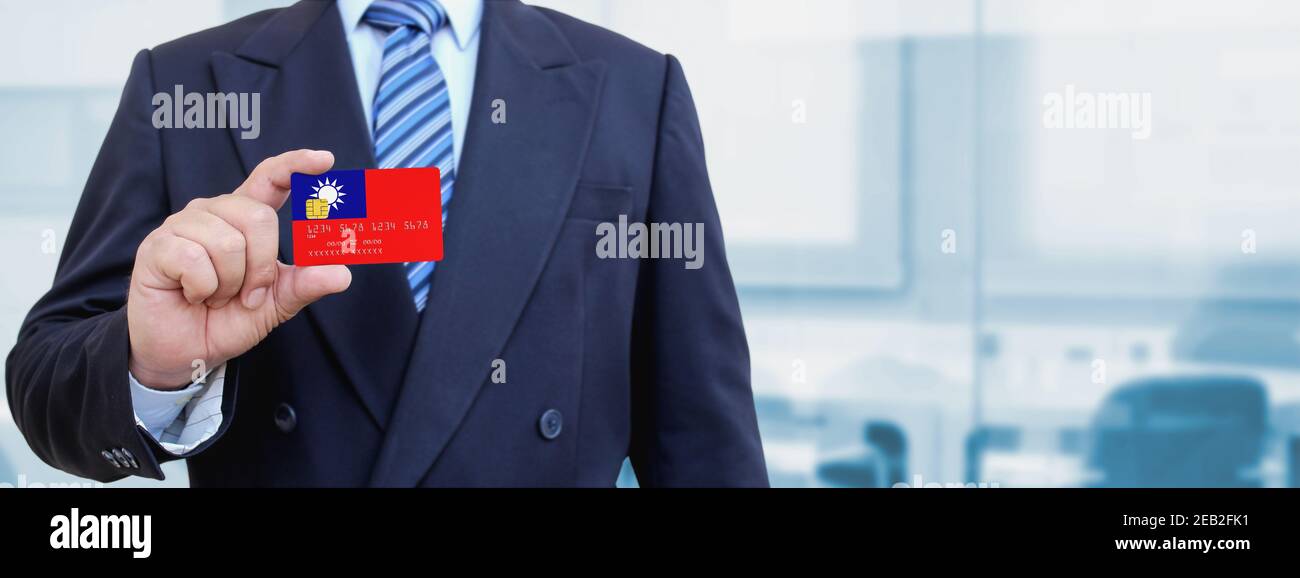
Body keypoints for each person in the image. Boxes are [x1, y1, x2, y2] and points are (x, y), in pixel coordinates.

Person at [4, 0, 767, 487]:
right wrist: (154, 367)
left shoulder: (638, 88)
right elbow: (46, 387)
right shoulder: (186, 83)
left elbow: (706, 445)